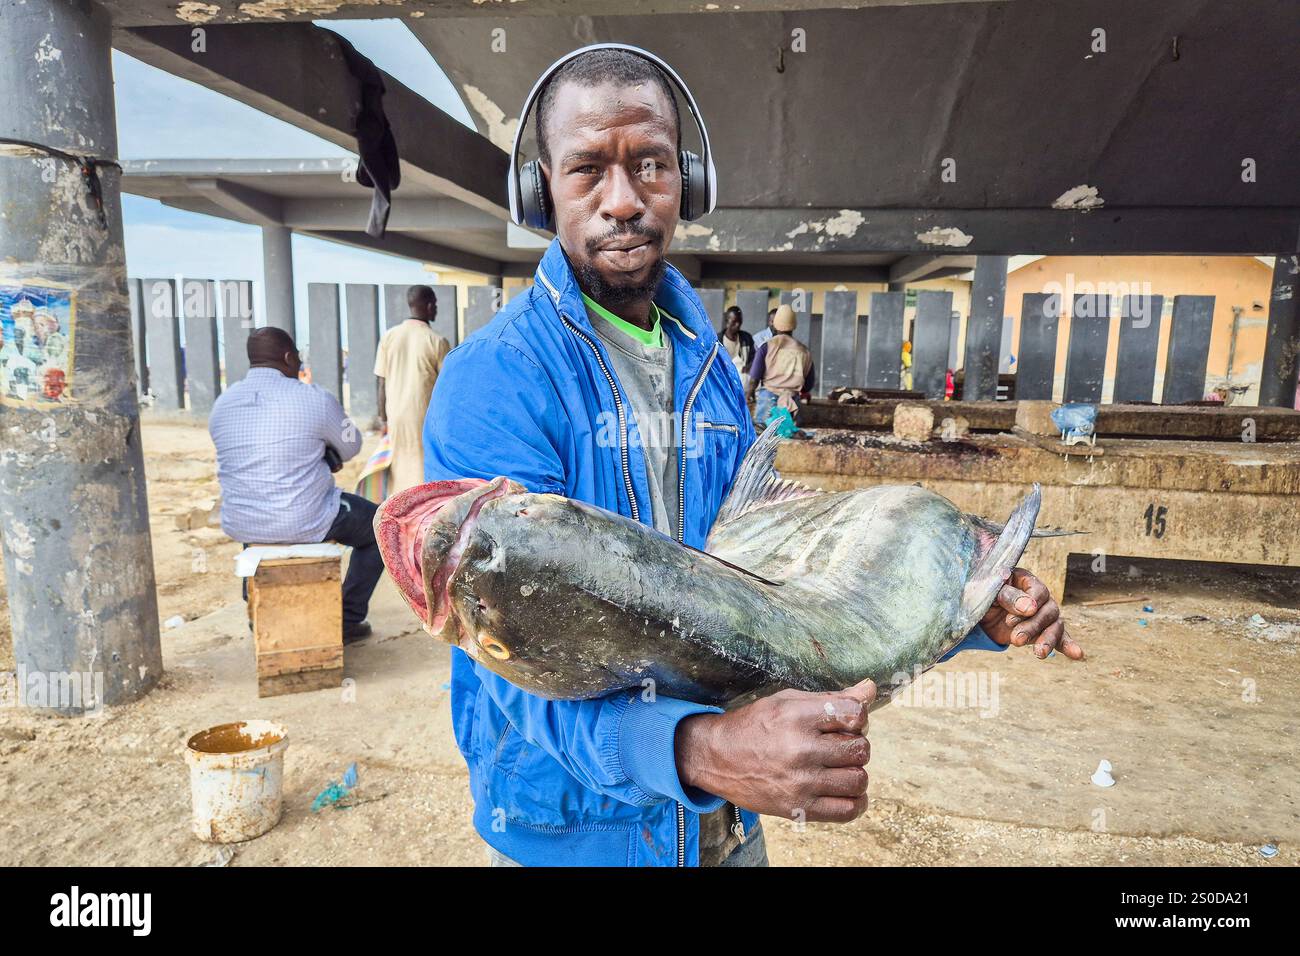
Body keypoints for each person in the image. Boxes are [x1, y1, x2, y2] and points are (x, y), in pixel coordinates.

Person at [423, 45, 1081, 869]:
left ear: (686, 182)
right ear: (540, 189)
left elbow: (772, 588)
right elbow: (508, 658)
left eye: (651, 164)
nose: (622, 201)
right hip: (576, 837)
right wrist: (694, 751)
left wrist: (963, 608)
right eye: (587, 169)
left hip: (725, 826)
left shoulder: (707, 363)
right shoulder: (496, 380)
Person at [209, 327, 381, 641]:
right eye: (298, 358)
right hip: (305, 518)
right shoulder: (312, 398)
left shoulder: (223, 404)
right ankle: (347, 619)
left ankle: (259, 613)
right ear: (289, 358)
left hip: (244, 522)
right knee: (380, 528)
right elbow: (351, 445)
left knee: (261, 515)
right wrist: (325, 454)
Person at [374, 285, 451, 496]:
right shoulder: (437, 341)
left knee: (399, 465)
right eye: (434, 304)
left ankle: (397, 505)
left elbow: (381, 382)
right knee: (421, 465)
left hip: (395, 414)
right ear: (427, 306)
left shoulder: (389, 337)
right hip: (423, 415)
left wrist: (383, 419)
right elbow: (446, 388)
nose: (435, 308)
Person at [746, 304, 816, 425]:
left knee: (763, 438)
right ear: (794, 325)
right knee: (790, 440)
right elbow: (808, 385)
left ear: (775, 323)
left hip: (767, 403)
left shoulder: (766, 347)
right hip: (792, 406)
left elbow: (754, 378)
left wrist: (750, 393)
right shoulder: (804, 351)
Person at [718, 304, 754, 385]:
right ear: (727, 321)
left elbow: (754, 358)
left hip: (743, 381)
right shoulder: (718, 341)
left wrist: (748, 367)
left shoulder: (747, 339)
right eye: (734, 322)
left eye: (739, 322)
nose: (738, 325)